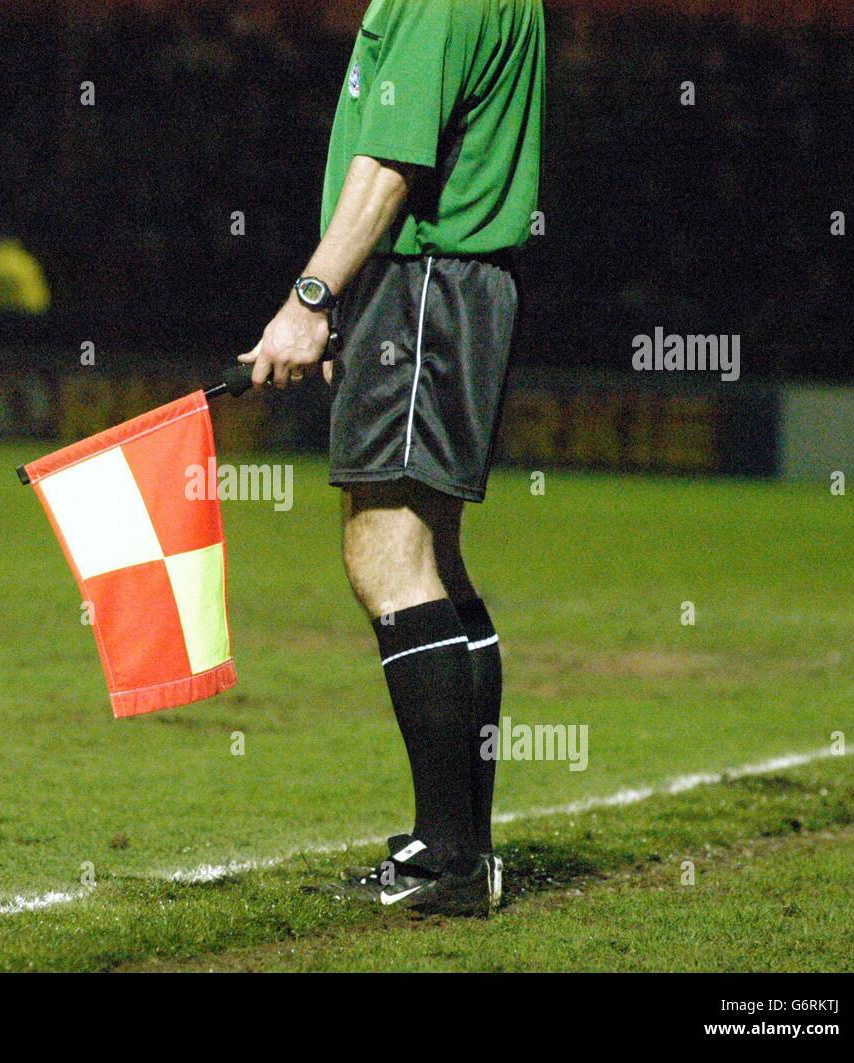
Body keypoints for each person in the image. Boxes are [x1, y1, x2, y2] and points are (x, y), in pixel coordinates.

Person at [238, 0, 545, 915]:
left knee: (386, 554)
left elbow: (391, 165)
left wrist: (311, 296)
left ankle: (449, 863)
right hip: (442, 290)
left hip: (424, 286)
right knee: (435, 560)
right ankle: (454, 847)